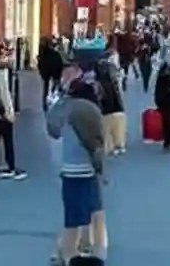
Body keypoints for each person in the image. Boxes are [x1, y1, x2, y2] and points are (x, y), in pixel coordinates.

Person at [47, 79, 108, 265]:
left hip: (68, 171)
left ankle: (66, 253)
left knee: (72, 217)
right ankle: (96, 252)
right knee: (95, 212)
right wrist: (101, 170)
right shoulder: (91, 112)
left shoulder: (65, 109)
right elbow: (97, 146)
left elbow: (53, 131)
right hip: (87, 171)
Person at [0, 46, 26, 180]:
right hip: (2, 110)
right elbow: (4, 93)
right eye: (5, 56)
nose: (8, 59)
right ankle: (11, 167)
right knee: (8, 140)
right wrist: (9, 111)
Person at [97, 43, 128, 156]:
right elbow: (116, 86)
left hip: (106, 102)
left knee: (107, 122)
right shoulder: (111, 67)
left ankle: (110, 145)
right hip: (113, 101)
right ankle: (118, 144)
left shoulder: (100, 66)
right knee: (117, 121)